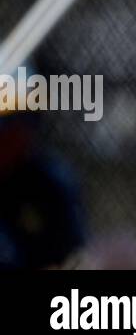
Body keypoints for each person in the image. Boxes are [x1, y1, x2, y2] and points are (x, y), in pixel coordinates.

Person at [0, 75, 87, 269]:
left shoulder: (51, 182)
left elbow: (72, 254)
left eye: (27, 116)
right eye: (10, 121)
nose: (19, 130)